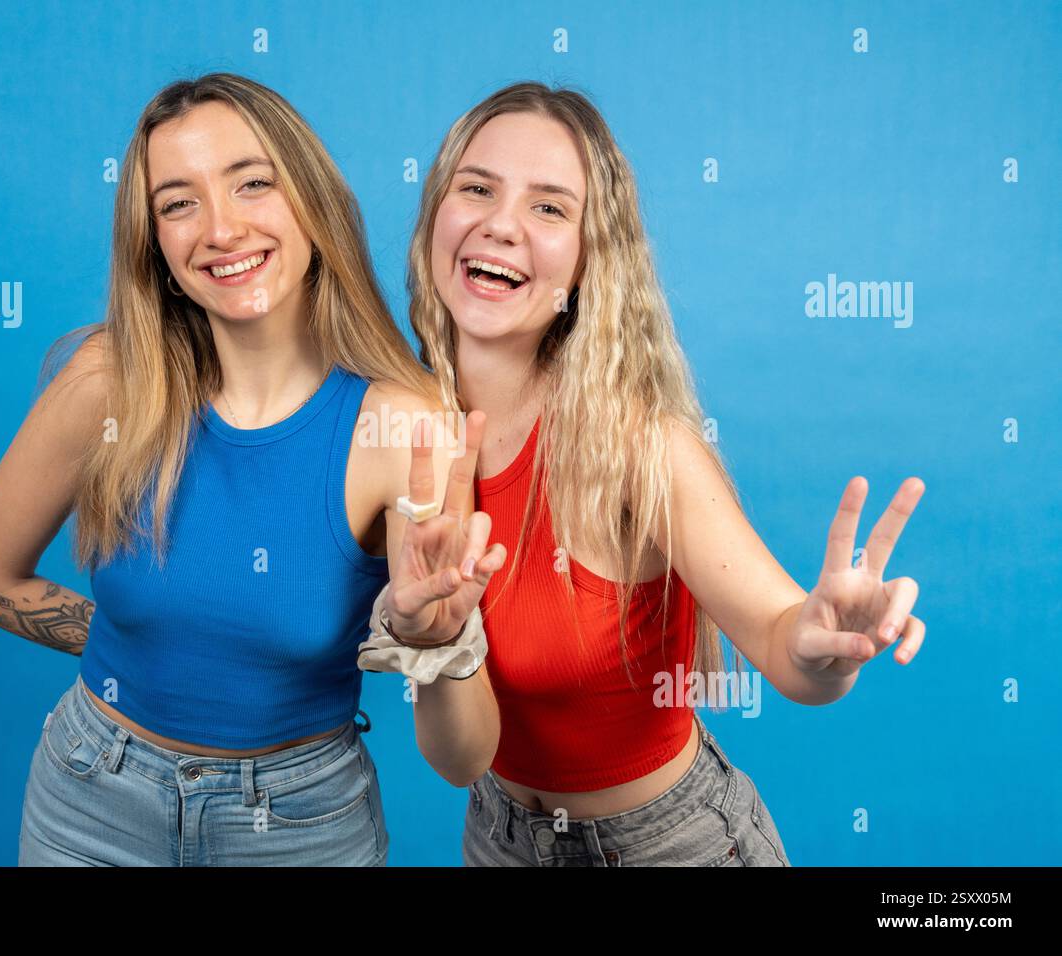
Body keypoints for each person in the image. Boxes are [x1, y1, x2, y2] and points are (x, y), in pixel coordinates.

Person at [373, 81, 926, 867]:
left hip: (672, 847)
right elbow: (461, 759)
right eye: (477, 188)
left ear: (591, 260)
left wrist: (822, 642)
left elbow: (783, 642)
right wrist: (437, 640)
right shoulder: (411, 440)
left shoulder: (639, 445)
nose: (500, 224)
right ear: (435, 215)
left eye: (549, 207)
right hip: (501, 841)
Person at [0, 73, 477, 866]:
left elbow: (464, 758)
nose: (220, 228)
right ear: (155, 244)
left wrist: (435, 641)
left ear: (312, 200)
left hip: (299, 825)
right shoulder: (107, 381)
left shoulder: (407, 426)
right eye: (178, 202)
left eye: (252, 183)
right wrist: (151, 654)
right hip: (92, 797)